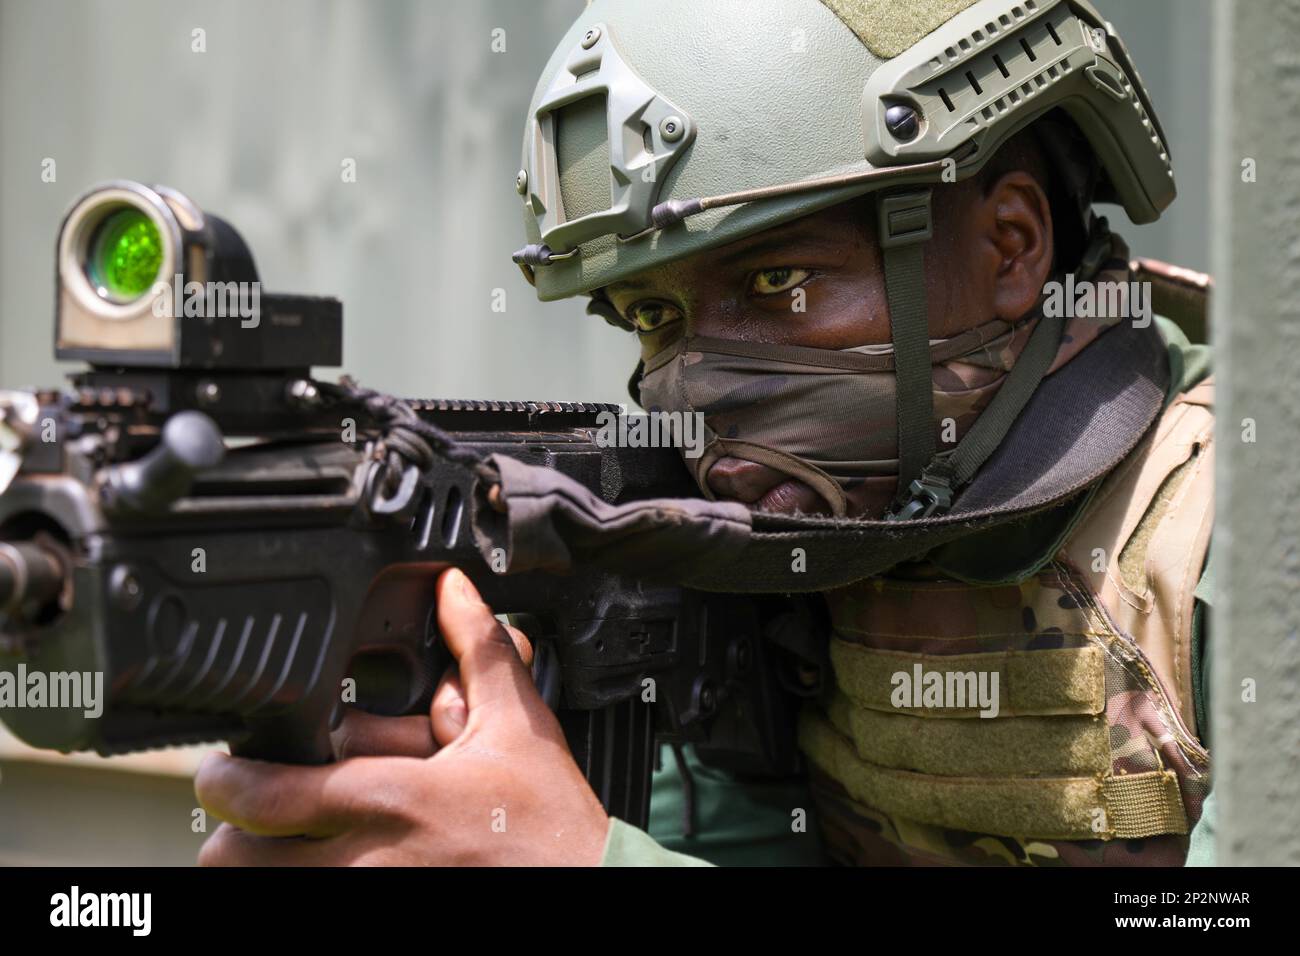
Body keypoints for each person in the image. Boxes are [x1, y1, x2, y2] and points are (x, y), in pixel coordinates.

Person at [194, 0, 1216, 866]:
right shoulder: (786, 551)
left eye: (776, 284)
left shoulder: (1232, 546)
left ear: (1012, 247)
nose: (691, 383)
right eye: (652, 316)